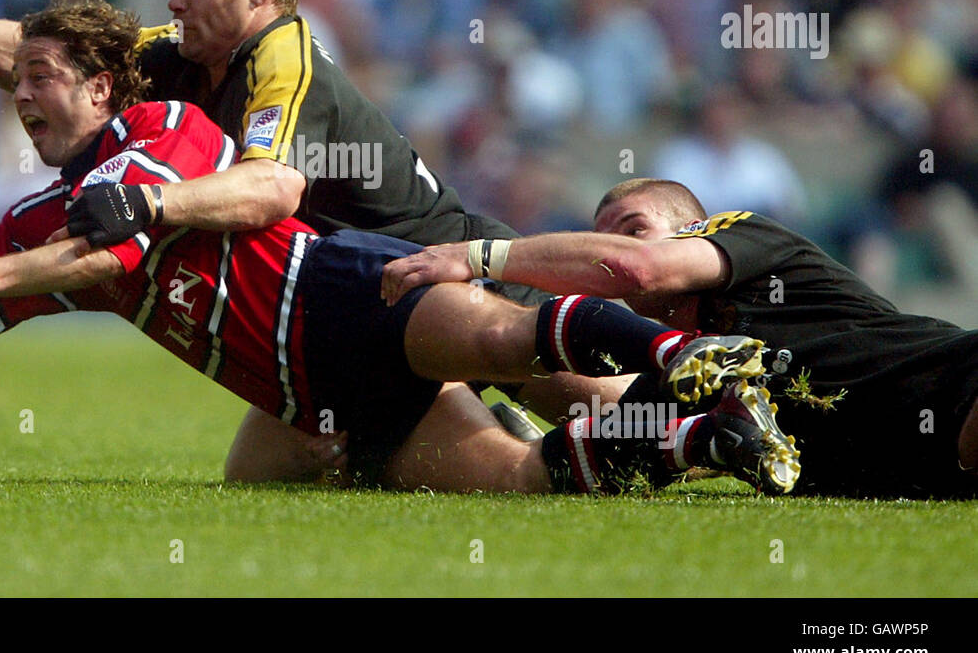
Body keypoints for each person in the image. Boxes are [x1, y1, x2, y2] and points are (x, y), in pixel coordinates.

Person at [0, 0, 798, 495]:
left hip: (339, 291)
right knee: (515, 480)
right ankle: (706, 440)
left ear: (99, 87)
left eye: (42, 77)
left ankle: (692, 360)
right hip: (303, 387)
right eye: (18, 79)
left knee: (506, 342)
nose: (23, 94)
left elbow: (115, 247)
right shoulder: (32, 215)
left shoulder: (156, 130)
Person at [0, 0, 568, 483]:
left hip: (448, 268)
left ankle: (670, 399)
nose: (172, 3)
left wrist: (145, 207)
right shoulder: (175, 61)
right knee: (266, 476)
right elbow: (42, 57)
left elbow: (270, 187)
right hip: (342, 313)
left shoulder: (283, 60)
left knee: (605, 400)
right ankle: (461, 436)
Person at [381, 177, 978, 499]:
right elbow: (599, 448)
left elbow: (643, 268)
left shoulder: (752, 239)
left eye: (634, 229)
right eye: (604, 240)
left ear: (690, 226)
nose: (618, 251)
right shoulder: (678, 379)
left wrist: (479, 257)